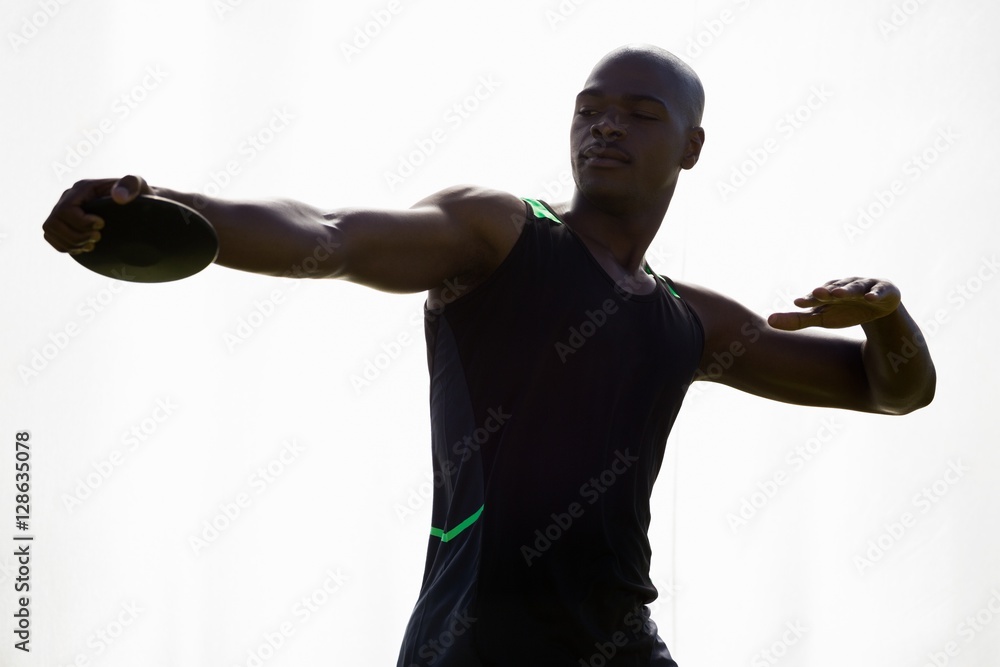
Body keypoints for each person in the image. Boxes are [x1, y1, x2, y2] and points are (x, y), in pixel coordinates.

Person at [43, 44, 935, 666]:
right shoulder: (501, 232)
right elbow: (330, 233)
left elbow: (889, 392)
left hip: (622, 640)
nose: (606, 128)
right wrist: (151, 200)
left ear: (691, 146)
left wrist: (888, 315)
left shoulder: (690, 318)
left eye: (638, 114)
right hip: (471, 640)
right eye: (589, 112)